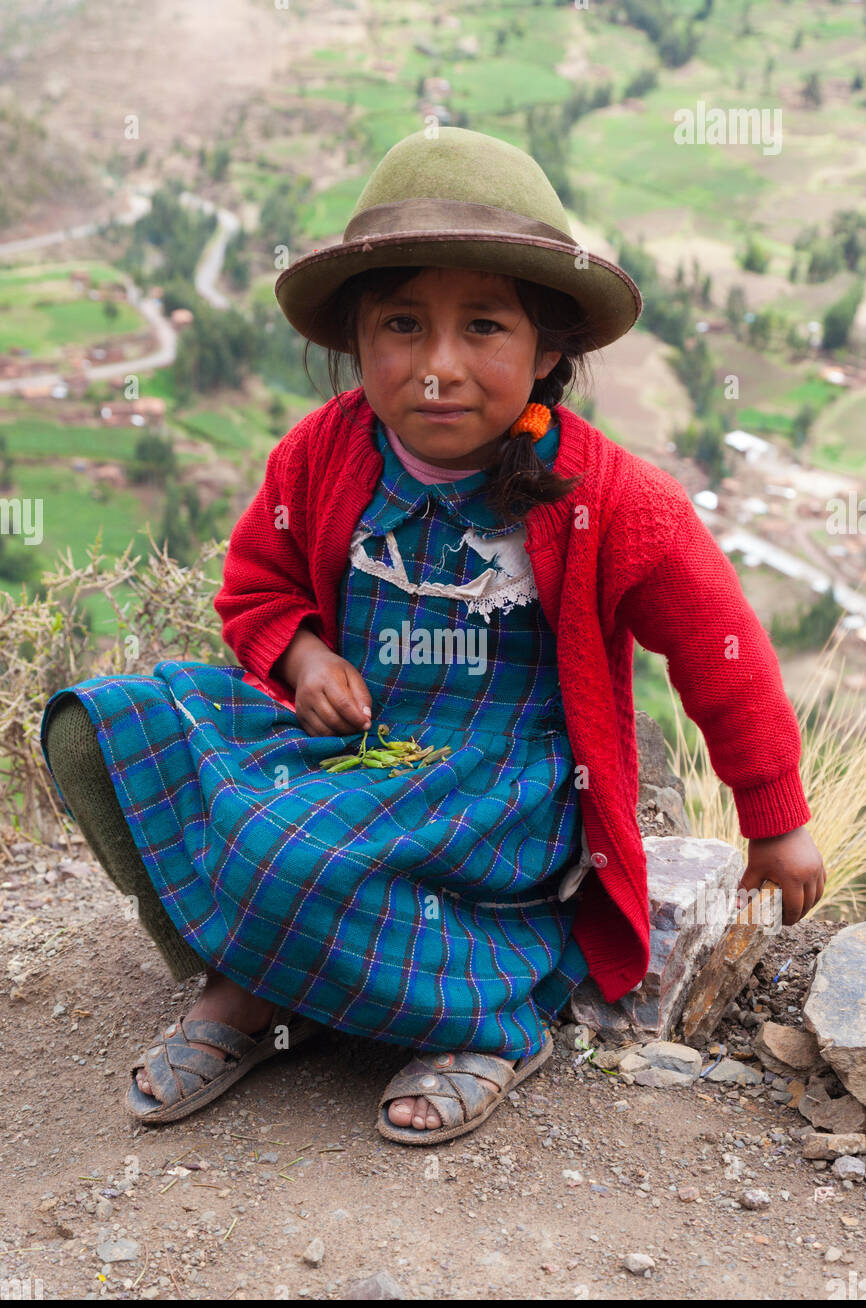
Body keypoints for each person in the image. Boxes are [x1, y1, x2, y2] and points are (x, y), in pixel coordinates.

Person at [40, 127, 825, 1144]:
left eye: (484, 328)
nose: (438, 367)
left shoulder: (614, 501)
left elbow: (718, 646)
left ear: (548, 349)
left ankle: (486, 1022)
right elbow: (257, 588)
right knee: (103, 731)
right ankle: (252, 975)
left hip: (500, 783)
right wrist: (303, 657)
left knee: (294, 849)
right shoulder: (323, 453)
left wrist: (773, 813)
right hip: (350, 747)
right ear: (357, 342)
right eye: (403, 325)